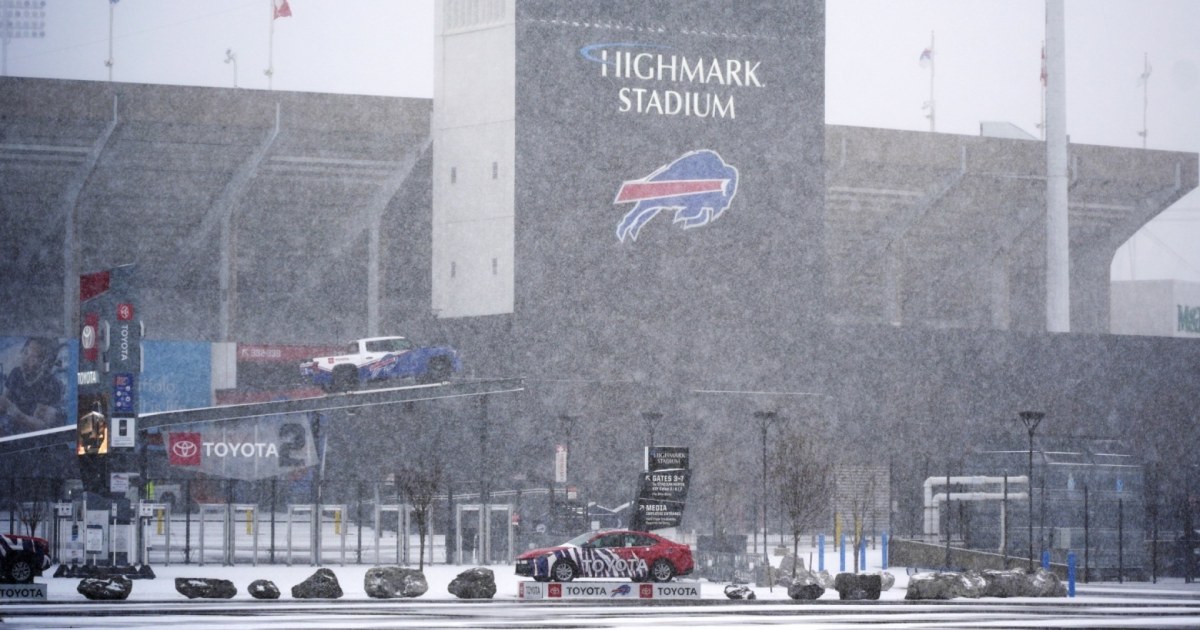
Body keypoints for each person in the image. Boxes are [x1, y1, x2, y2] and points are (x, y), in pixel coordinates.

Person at [0, 337, 66, 434]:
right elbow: (3, 402)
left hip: (28, 440)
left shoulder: (51, 385)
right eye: (26, 352)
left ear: (45, 363)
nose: (26, 359)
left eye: (34, 357)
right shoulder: (16, 373)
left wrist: (12, 410)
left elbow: (41, 426)